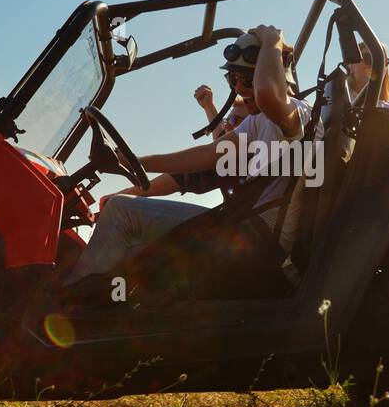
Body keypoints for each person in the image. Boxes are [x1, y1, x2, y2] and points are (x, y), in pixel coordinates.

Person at [66, 25, 317, 293]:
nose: (240, 88)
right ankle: (99, 309)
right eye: (233, 80)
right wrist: (135, 161)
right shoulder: (260, 122)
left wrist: (273, 40)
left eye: (247, 79)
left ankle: (68, 303)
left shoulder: (298, 117)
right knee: (133, 252)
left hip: (258, 246)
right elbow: (207, 155)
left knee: (120, 211)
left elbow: (268, 94)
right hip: (238, 232)